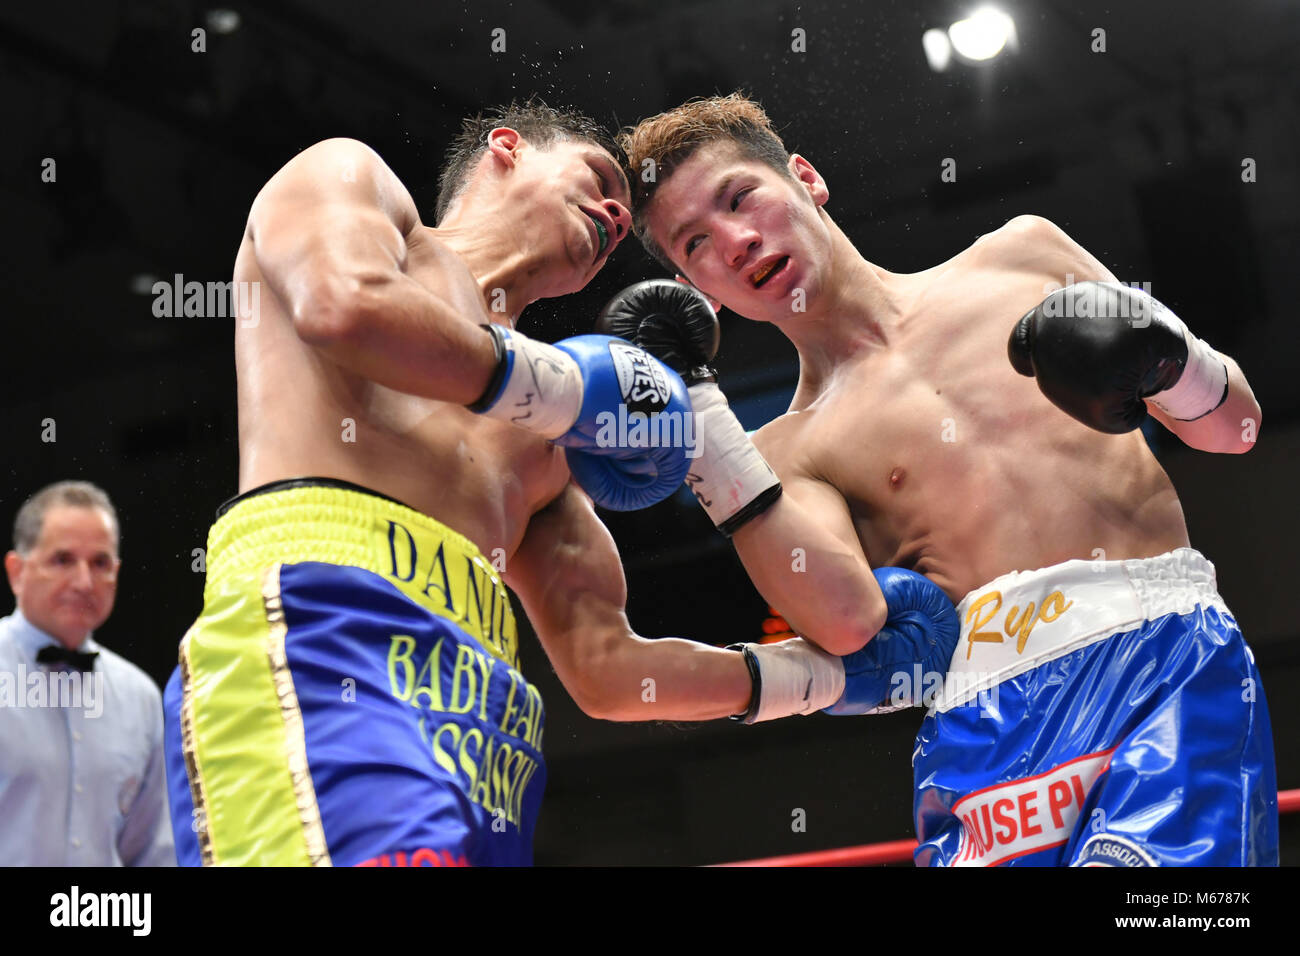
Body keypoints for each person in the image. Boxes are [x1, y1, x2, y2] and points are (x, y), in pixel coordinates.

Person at [163, 100, 947, 868]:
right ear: (506, 148)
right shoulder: (352, 180)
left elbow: (608, 668)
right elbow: (343, 306)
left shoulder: (545, 441)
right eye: (598, 175)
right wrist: (556, 388)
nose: (614, 209)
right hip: (321, 647)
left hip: (486, 736)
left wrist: (817, 678)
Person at [614, 92, 1278, 866]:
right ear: (699, 290)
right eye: (695, 243)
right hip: (983, 726)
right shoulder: (782, 451)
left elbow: (1235, 431)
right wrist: (701, 429)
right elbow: (843, 624)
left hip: (1160, 665)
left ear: (805, 178)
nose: (734, 240)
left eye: (739, 197)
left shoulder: (1020, 256)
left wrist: (1174, 365)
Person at [0, 480, 175, 866]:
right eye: (62, 560)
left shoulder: (140, 697)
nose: (84, 582)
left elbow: (153, 853)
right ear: (17, 572)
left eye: (100, 563)